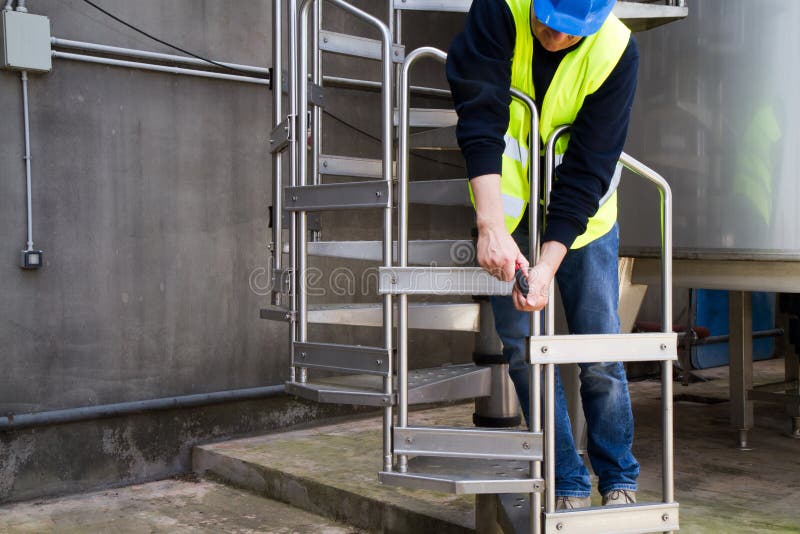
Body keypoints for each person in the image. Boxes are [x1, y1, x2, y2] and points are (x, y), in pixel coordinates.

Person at [446, 0, 640, 509]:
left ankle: (619, 478)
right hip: (506, 216)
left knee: (598, 352)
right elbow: (479, 118)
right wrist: (490, 226)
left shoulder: (618, 49)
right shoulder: (500, 10)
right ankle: (566, 482)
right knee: (526, 355)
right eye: (548, 25)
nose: (554, 39)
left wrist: (548, 265)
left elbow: (590, 166)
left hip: (584, 222)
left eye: (570, 33)